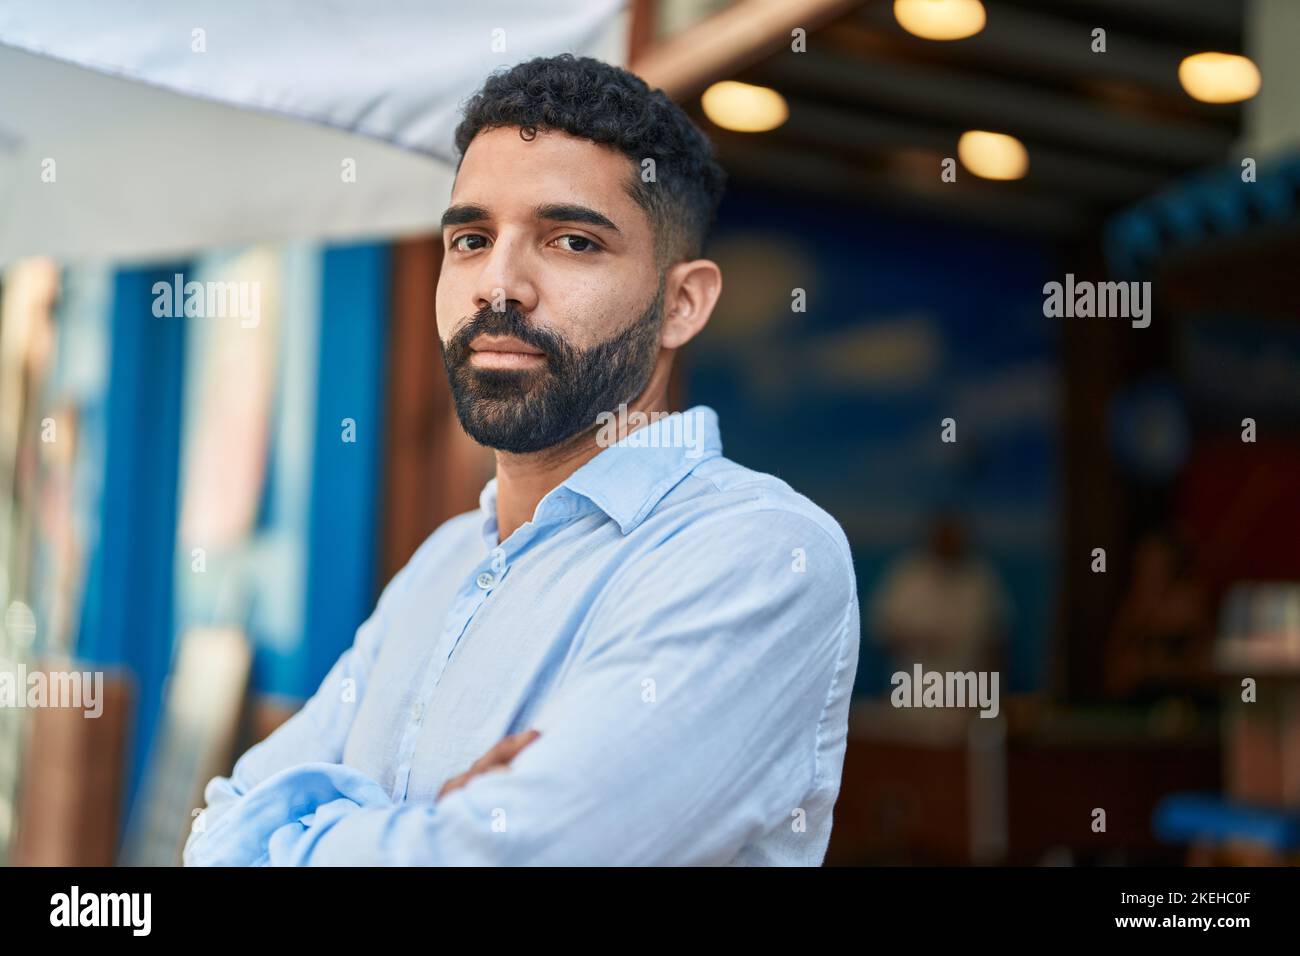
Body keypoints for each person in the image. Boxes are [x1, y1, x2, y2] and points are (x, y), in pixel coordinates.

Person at [183, 54, 859, 866]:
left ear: (682, 303)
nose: (498, 285)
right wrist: (437, 826)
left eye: (572, 241)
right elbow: (217, 832)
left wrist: (317, 829)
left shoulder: (759, 554)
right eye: (470, 239)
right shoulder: (442, 564)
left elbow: (515, 856)